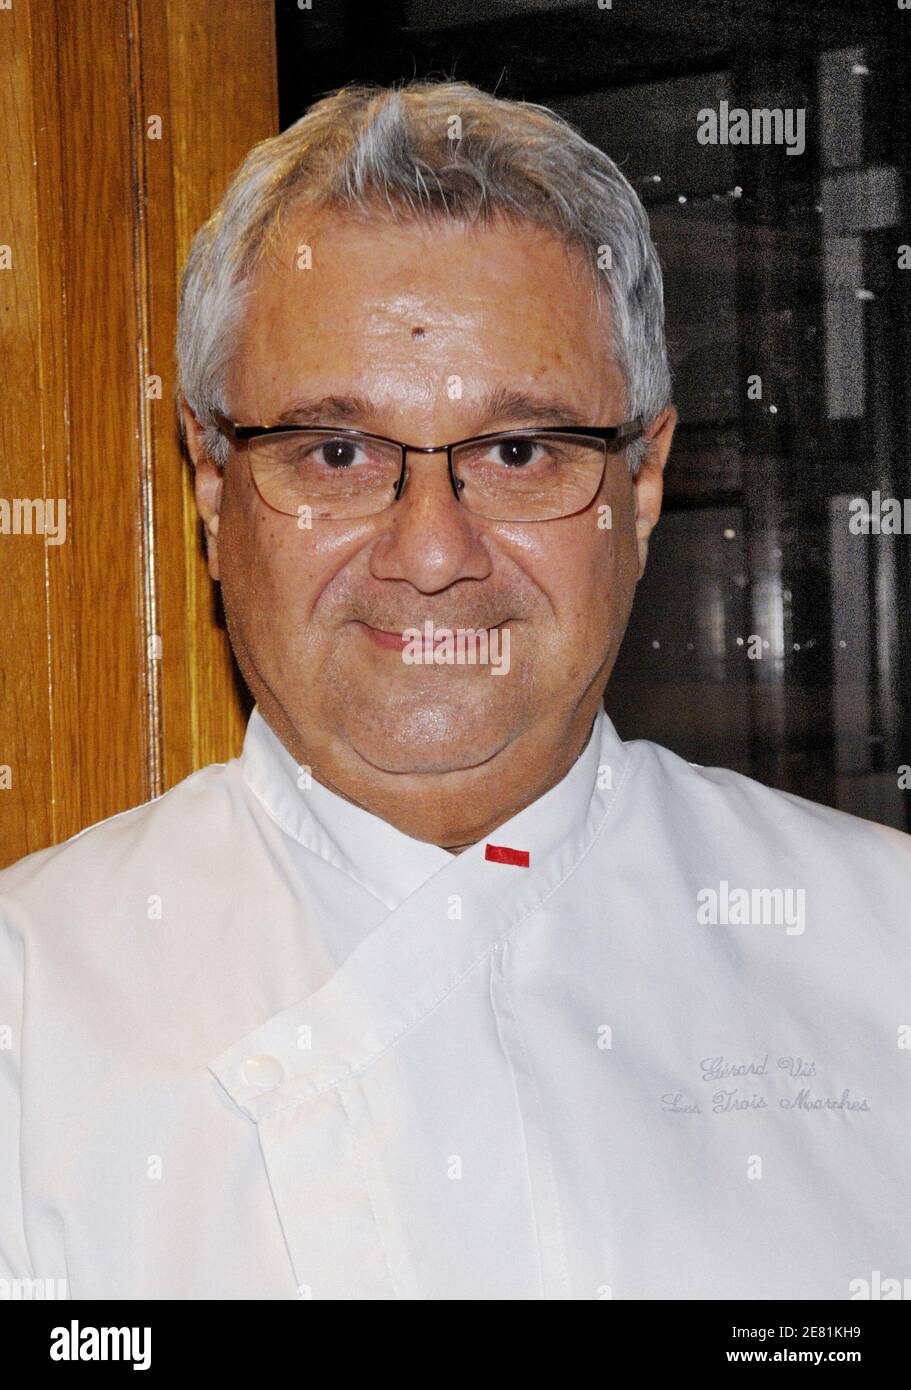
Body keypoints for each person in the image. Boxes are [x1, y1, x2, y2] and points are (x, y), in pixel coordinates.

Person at [1, 80, 908, 1301]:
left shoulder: (878, 946)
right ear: (211, 487)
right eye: (336, 451)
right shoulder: (28, 1009)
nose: (430, 553)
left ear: (640, 484)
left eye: (518, 450)